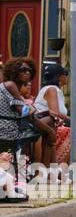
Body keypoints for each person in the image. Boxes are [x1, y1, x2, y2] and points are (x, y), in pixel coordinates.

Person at [0, 58, 56, 202]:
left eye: (29, 70)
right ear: (13, 72)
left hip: (11, 127)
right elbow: (23, 111)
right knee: (47, 129)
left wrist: (38, 112)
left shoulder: (14, 88)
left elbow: (26, 112)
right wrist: (49, 131)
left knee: (47, 123)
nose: (26, 72)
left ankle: (35, 176)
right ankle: (40, 175)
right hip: (6, 130)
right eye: (22, 70)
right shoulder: (11, 85)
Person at [36, 63, 76, 171]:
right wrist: (75, 123)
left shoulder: (51, 89)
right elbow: (55, 112)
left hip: (50, 125)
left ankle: (69, 171)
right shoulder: (52, 89)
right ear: (59, 76)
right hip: (45, 127)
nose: (67, 77)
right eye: (66, 74)